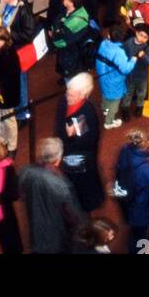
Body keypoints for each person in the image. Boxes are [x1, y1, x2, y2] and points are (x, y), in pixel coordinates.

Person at [18, 137, 86, 255]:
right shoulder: (61, 184)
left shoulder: (26, 171)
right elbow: (72, 215)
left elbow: (21, 192)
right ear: (58, 158)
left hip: (36, 230)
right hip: (57, 237)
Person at [112, 126, 149, 254]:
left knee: (133, 230)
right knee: (142, 237)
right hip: (141, 210)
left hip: (124, 200)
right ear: (147, 142)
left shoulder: (124, 149)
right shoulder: (148, 170)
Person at [54, 72, 104, 213]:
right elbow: (58, 125)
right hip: (66, 152)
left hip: (82, 158)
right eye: (68, 93)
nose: (68, 97)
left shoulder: (88, 112)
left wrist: (72, 136)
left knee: (84, 183)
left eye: (72, 95)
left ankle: (88, 204)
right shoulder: (64, 102)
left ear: (83, 95)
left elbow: (90, 141)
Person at [95, 24, 139, 130]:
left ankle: (105, 108)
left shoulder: (103, 44)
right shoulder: (119, 52)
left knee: (105, 93)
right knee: (115, 101)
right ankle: (109, 121)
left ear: (109, 36)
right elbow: (126, 69)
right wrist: (133, 60)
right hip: (114, 80)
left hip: (102, 76)